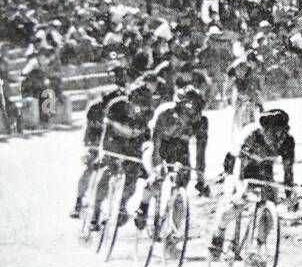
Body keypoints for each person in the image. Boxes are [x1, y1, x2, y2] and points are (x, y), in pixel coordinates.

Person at [209, 109, 297, 262]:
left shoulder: (288, 141)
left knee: (270, 205)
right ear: (263, 130)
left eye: (280, 134)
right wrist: (240, 189)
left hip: (264, 168)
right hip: (239, 166)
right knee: (238, 200)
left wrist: (290, 196)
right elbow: (238, 168)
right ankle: (219, 232)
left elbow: (288, 172)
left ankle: (256, 247)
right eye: (272, 134)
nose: (276, 140)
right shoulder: (250, 135)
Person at [135, 85, 209, 228]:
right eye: (187, 106)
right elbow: (155, 145)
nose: (190, 113)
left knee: (182, 182)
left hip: (180, 149)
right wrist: (156, 169)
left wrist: (201, 178)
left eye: (195, 108)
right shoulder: (165, 113)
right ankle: (143, 206)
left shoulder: (202, 122)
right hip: (160, 146)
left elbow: (201, 152)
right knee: (157, 180)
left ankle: (175, 228)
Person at [88, 81, 154, 231]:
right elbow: (106, 131)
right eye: (136, 104)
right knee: (107, 171)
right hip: (114, 140)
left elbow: (144, 136)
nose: (139, 109)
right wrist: (102, 154)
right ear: (129, 101)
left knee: (132, 176)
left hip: (132, 142)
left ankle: (122, 206)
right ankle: (95, 214)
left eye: (144, 105)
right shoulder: (116, 106)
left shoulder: (147, 112)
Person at [71, 84, 124, 218]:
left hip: (113, 138)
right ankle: (79, 201)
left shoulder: (122, 108)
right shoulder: (95, 108)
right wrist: (92, 150)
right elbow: (90, 132)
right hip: (95, 137)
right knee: (90, 166)